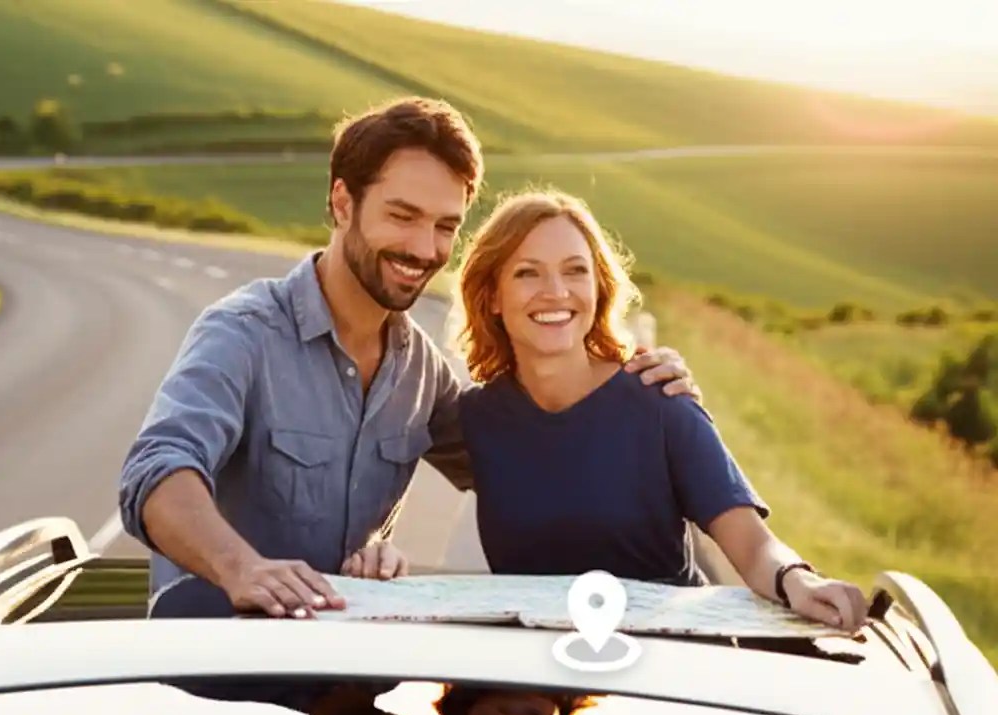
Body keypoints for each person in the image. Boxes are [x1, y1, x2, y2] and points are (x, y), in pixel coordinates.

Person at [116, 96, 700, 623]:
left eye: (445, 226)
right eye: (403, 216)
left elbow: (539, 459)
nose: (425, 249)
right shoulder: (242, 334)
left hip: (348, 667)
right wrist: (242, 568)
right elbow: (156, 473)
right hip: (216, 659)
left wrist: (637, 396)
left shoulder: (422, 375)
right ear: (343, 202)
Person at [449, 188, 867, 631]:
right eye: (527, 274)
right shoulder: (477, 417)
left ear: (598, 289)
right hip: (534, 671)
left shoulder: (658, 401)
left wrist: (796, 580)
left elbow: (752, 544)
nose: (556, 292)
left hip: (664, 664)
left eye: (575, 271)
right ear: (492, 295)